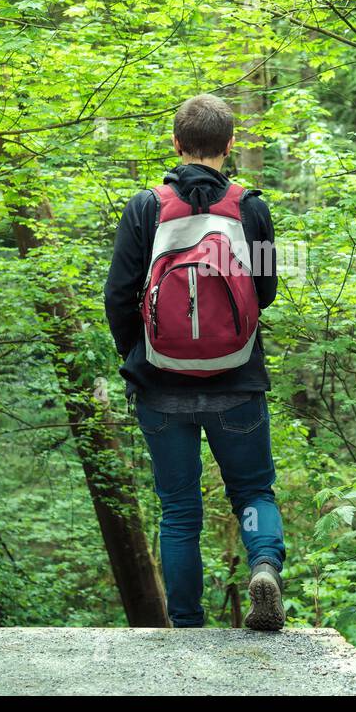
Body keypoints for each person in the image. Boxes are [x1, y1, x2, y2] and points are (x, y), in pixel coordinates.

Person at [103, 94, 285, 630]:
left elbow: (118, 295)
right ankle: (264, 567)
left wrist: (139, 356)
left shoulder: (144, 207)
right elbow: (267, 288)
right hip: (239, 380)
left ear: (176, 143)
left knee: (179, 510)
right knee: (252, 490)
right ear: (230, 145)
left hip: (161, 386)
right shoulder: (253, 208)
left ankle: (186, 625)